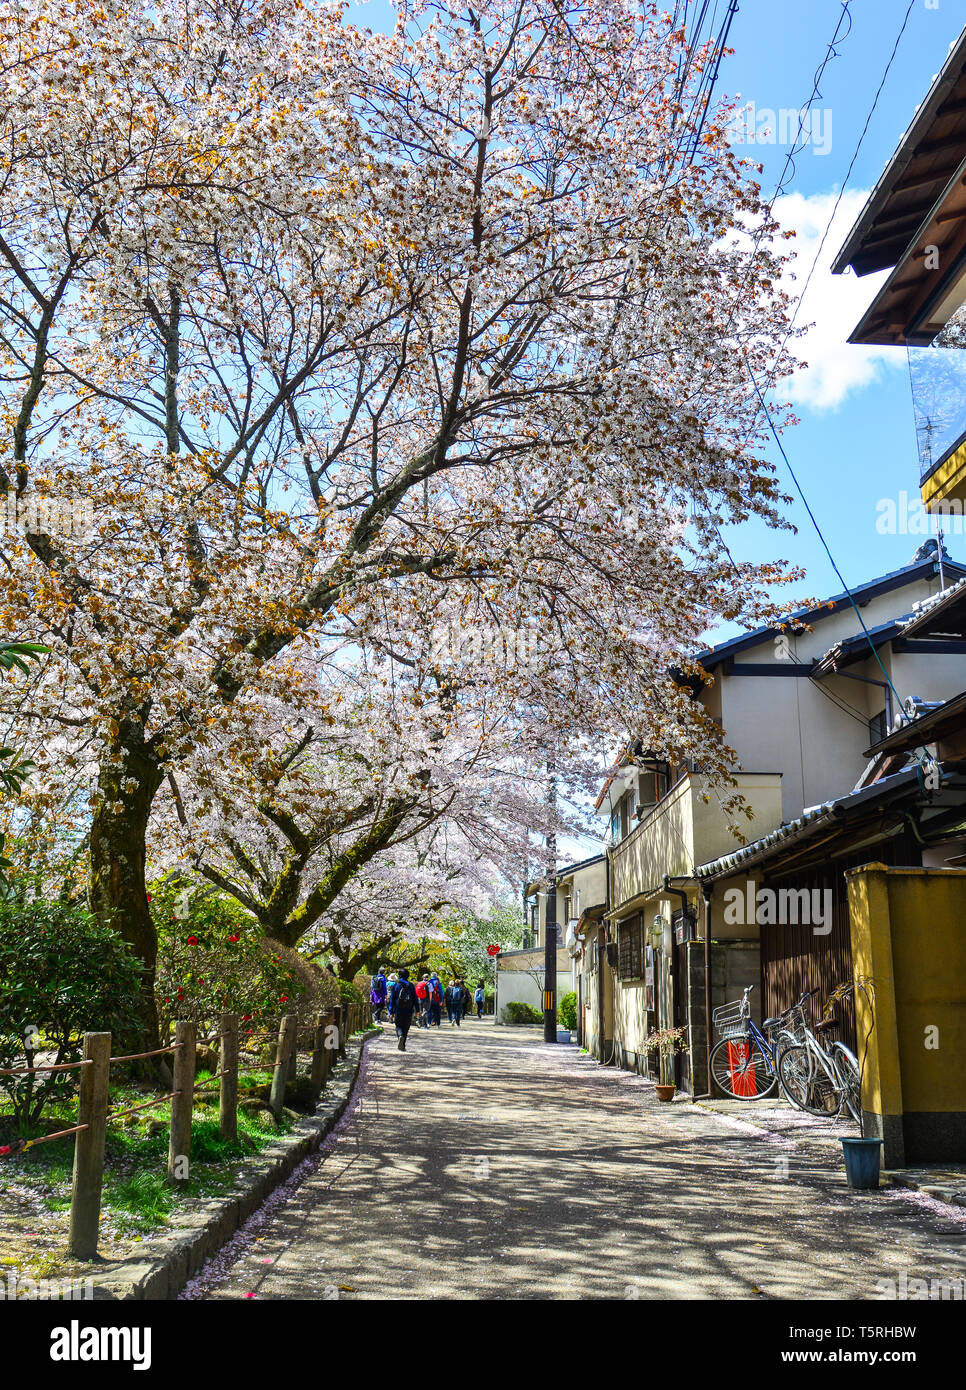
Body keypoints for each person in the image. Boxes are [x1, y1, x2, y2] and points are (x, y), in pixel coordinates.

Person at [389, 968, 418, 1050]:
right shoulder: (411, 985)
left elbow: (392, 999)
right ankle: (403, 1045)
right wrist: (418, 1010)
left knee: (398, 1026)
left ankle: (400, 1036)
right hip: (409, 1010)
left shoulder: (396, 985)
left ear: (399, 975)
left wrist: (391, 1011)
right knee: (406, 1027)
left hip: (398, 1009)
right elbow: (415, 998)